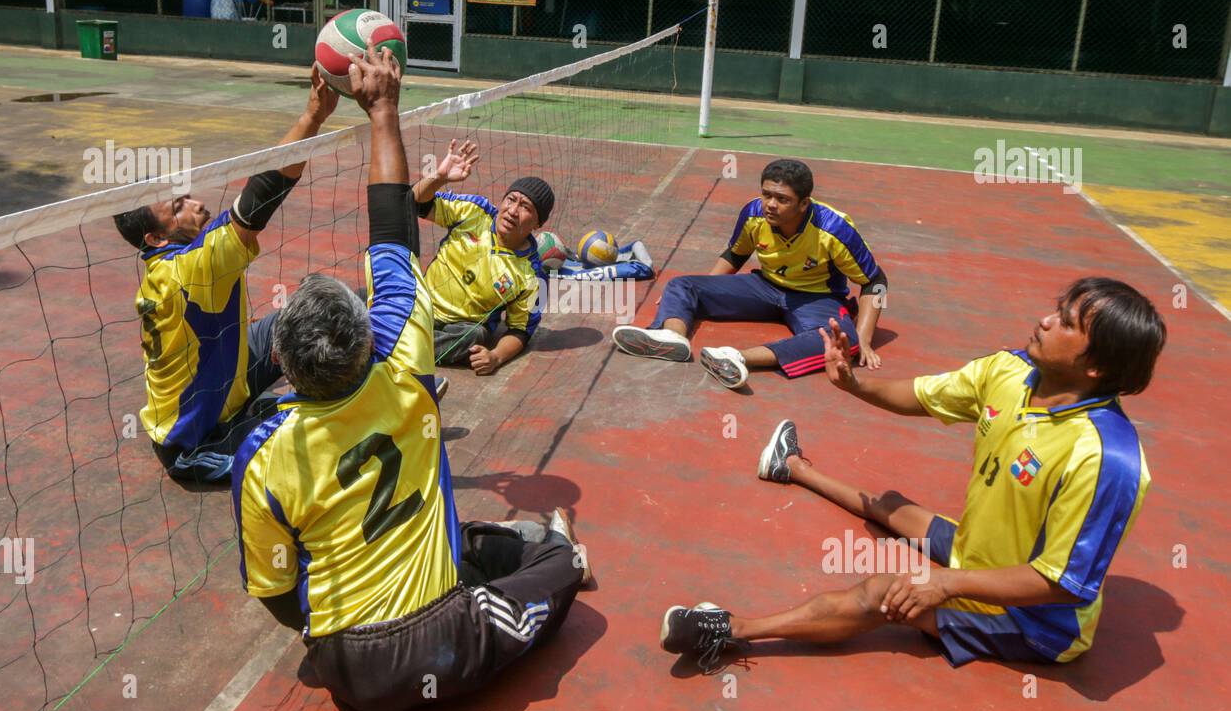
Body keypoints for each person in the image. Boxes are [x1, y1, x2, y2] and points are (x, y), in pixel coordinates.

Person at [233, 43, 587, 711]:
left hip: (346, 666)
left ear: (283, 361)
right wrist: (384, 111)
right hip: (437, 642)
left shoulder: (259, 456)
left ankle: (462, 568)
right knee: (562, 565)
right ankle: (532, 566)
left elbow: (277, 595)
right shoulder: (402, 365)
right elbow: (396, 230)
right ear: (366, 340)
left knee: (472, 534)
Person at [660, 277, 1165, 672]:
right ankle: (791, 466)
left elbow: (1063, 585)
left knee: (882, 593)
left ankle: (731, 629)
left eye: (1067, 323)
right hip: (978, 550)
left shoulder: (1106, 459)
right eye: (1058, 308)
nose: (1046, 319)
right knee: (893, 505)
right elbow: (921, 396)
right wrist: (852, 384)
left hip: (1033, 619)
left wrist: (945, 585)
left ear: (1096, 365)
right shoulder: (1010, 372)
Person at [112, 69, 338, 483]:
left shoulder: (171, 263)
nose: (196, 204)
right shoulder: (188, 269)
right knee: (322, 441)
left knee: (324, 307)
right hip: (195, 436)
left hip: (227, 373)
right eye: (178, 207)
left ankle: (274, 403)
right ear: (156, 238)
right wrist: (312, 117)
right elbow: (259, 198)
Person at [611, 158, 887, 390]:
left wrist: (864, 340)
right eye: (767, 194)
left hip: (817, 298)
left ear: (804, 204)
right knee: (682, 285)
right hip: (766, 287)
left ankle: (736, 358)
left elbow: (875, 281)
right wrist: (699, 293)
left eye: (782, 199)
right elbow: (735, 255)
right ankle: (672, 338)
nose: (770, 204)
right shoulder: (753, 213)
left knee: (843, 342)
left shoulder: (834, 229)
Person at [412, 138, 552, 376]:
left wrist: (495, 357)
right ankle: (407, 341)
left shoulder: (532, 276)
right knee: (365, 295)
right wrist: (440, 177)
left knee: (475, 338)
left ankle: (397, 341)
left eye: (526, 207)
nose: (513, 211)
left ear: (538, 223)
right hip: (419, 303)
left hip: (462, 328)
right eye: (511, 199)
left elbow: (521, 331)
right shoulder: (474, 212)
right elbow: (415, 202)